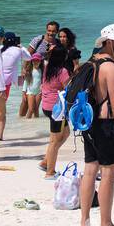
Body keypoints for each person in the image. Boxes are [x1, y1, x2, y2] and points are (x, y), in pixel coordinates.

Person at [78, 25, 114, 226]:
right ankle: (106, 225)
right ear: (110, 42)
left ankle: (84, 223)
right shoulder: (112, 67)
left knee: (90, 171)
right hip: (106, 124)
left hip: (89, 123)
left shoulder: (91, 63)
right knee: (109, 173)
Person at [39, 45, 72, 177]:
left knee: (66, 133)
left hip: (47, 106)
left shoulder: (47, 68)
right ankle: (50, 172)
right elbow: (69, 89)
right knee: (54, 140)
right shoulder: (62, 71)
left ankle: (46, 161)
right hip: (57, 109)